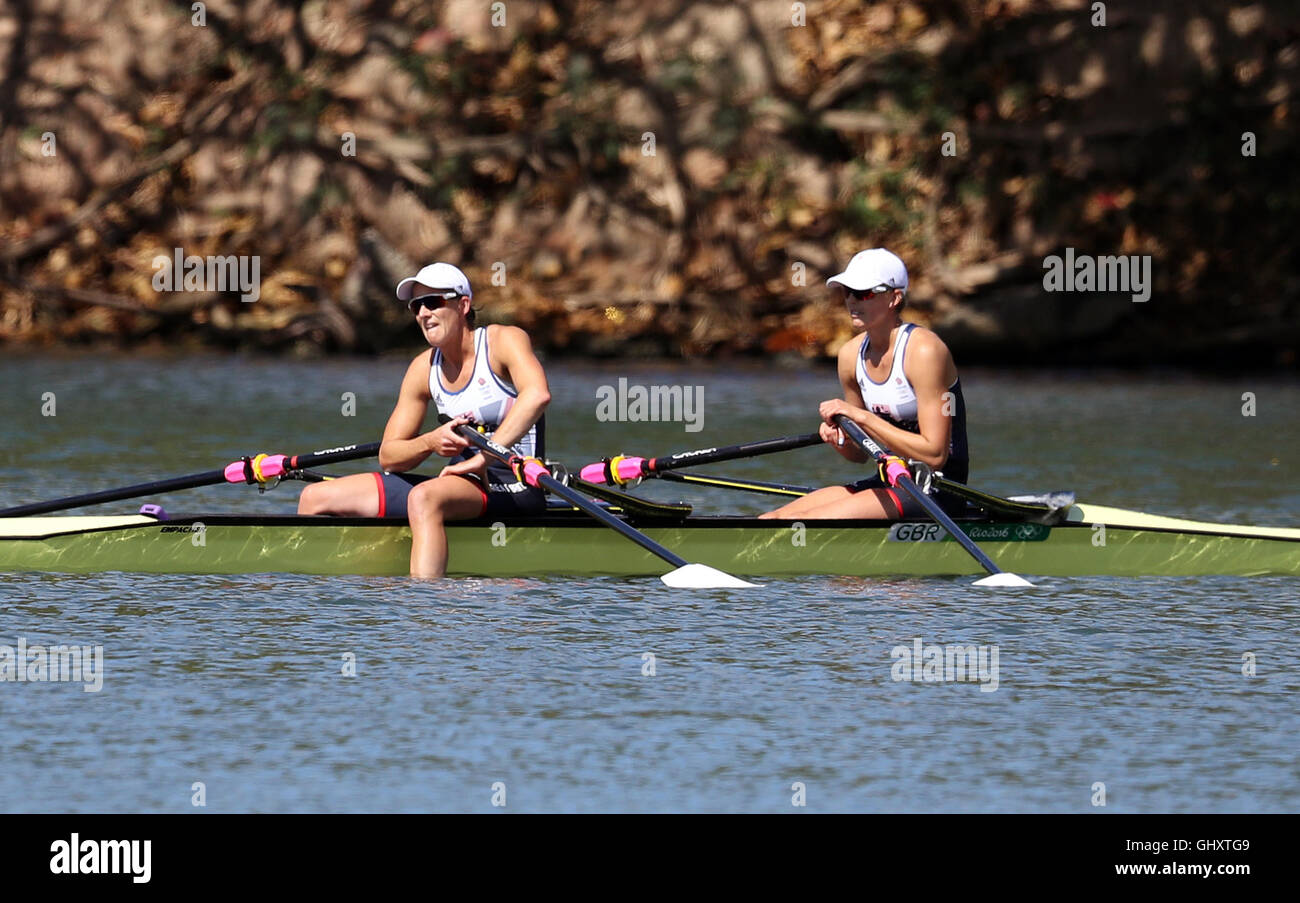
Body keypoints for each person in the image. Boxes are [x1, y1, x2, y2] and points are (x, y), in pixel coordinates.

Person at [298, 262, 551, 577]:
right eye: (416, 306)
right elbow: (389, 457)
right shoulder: (423, 368)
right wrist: (430, 441)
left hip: (517, 484)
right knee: (315, 497)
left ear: (463, 305)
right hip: (459, 483)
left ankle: (427, 610)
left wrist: (481, 459)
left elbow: (537, 395)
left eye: (433, 302)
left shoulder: (503, 341)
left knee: (423, 497)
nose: (423, 313)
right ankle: (314, 604)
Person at [759, 248, 968, 520]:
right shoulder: (849, 356)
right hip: (890, 483)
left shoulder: (924, 352)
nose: (852, 301)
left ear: (895, 298)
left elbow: (935, 454)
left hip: (937, 492)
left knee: (802, 522)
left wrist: (860, 417)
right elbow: (858, 453)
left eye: (864, 293)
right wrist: (840, 440)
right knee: (771, 520)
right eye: (847, 292)